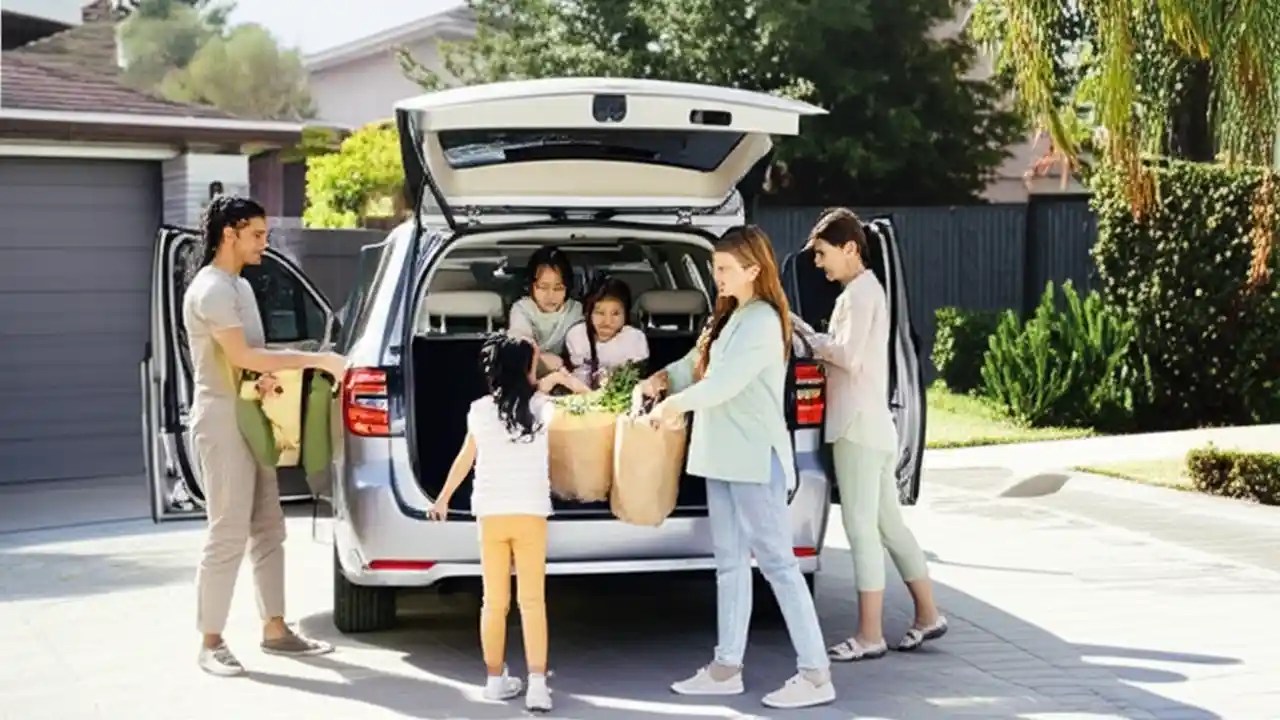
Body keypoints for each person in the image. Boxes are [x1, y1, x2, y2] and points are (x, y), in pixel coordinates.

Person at [638, 226, 835, 710]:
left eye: (725, 268)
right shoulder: (729, 316)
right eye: (715, 267)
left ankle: (815, 675)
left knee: (779, 566)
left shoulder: (764, 321)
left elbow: (723, 383)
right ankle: (726, 668)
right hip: (721, 456)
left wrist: (671, 406)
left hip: (754, 459)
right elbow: (698, 363)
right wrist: (662, 379)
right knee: (728, 564)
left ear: (753, 269)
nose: (717, 276)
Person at [184, 195, 348, 676]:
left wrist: (291, 366)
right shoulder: (211, 290)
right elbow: (244, 357)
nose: (264, 243)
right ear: (229, 233)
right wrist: (318, 360)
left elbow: (255, 356)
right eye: (257, 234)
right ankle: (211, 641)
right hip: (221, 419)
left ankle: (275, 630)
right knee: (227, 530)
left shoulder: (240, 286)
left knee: (269, 525)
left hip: (253, 412)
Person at [797, 207, 946, 662]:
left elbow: (847, 357)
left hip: (855, 428)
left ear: (849, 248)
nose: (819, 264)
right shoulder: (866, 292)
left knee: (861, 529)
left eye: (823, 254)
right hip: (873, 425)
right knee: (888, 526)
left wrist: (805, 337)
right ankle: (928, 615)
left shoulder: (859, 295)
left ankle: (868, 635)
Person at [429, 333, 563, 712]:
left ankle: (493, 680)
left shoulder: (479, 411)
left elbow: (465, 459)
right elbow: (581, 408)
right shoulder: (543, 408)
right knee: (532, 601)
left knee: (494, 601)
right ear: (527, 369)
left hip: (491, 514)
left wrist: (442, 499)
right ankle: (538, 686)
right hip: (530, 513)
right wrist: (560, 380)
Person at [508, 246, 584, 373]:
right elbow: (521, 343)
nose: (550, 296)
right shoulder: (521, 309)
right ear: (532, 286)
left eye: (558, 288)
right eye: (543, 287)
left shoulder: (575, 310)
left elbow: (582, 351)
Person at [564, 277, 650, 389]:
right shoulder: (577, 336)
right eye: (600, 313)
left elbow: (635, 378)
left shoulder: (634, 339)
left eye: (615, 314)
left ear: (626, 314)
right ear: (589, 313)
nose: (607, 322)